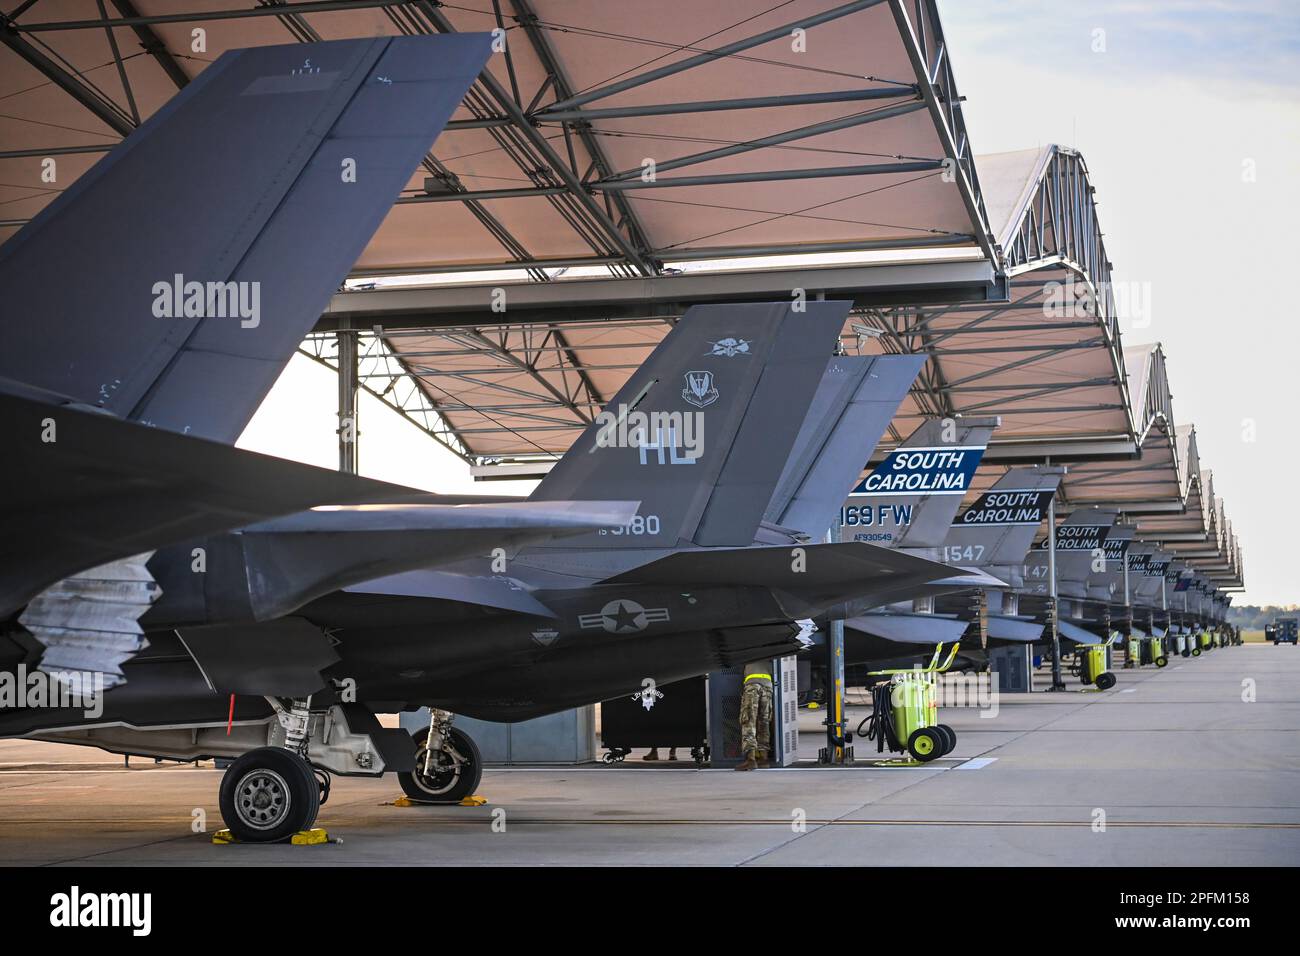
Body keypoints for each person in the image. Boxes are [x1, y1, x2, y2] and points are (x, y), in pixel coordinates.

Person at [735, 661, 773, 771]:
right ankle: (764, 759)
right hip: (767, 686)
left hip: (752, 685)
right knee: (764, 723)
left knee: (748, 721)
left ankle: (750, 760)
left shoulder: (750, 648)